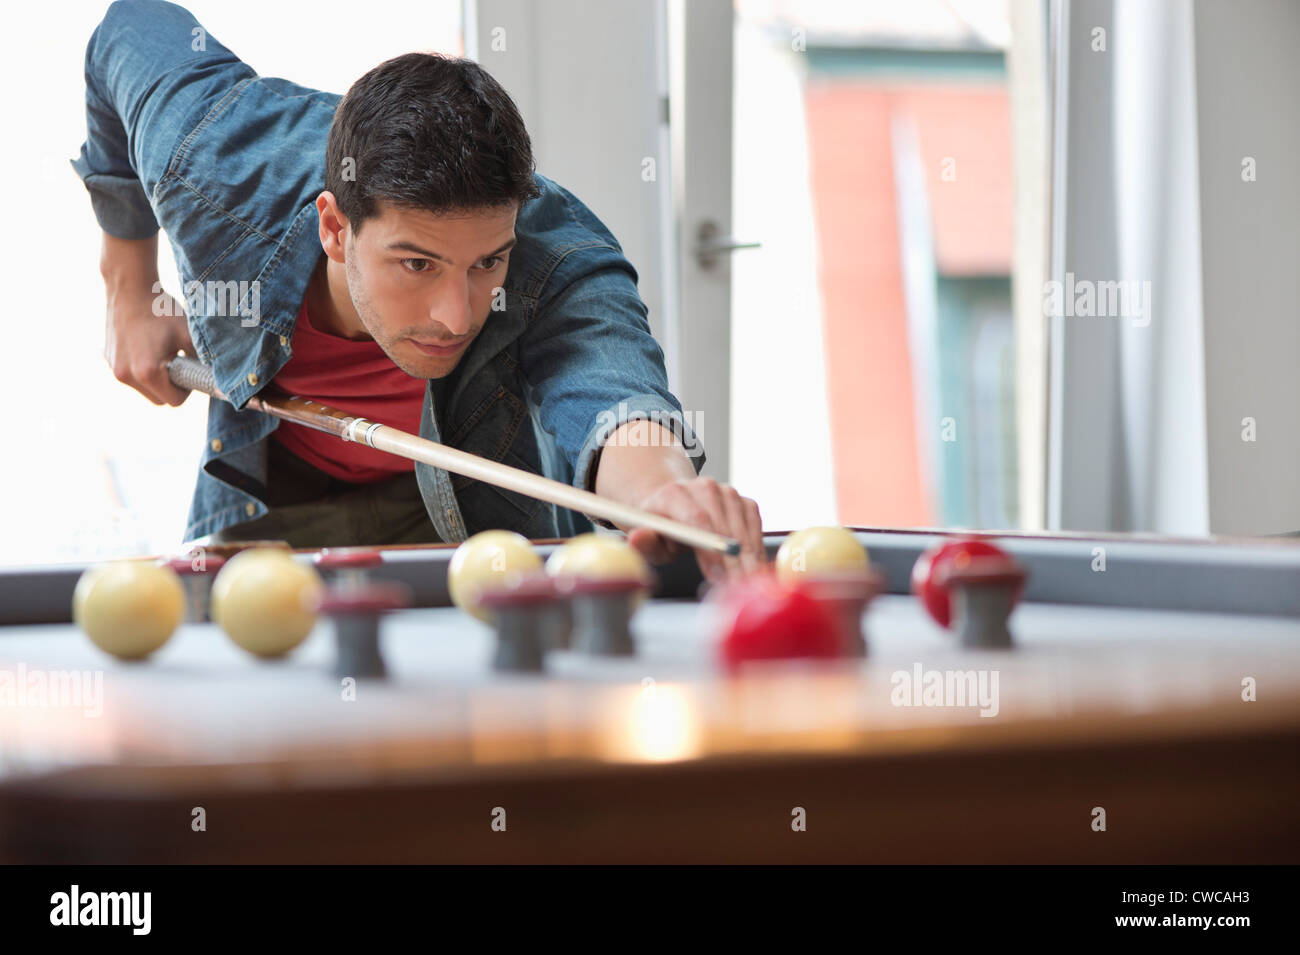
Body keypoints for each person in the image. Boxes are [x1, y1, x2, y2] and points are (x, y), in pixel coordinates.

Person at [74, 0, 763, 581]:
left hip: (466, 507)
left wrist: (665, 492)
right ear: (336, 228)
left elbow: (613, 389)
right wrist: (128, 286)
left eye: (486, 262)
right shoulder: (218, 163)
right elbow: (128, 28)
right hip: (280, 489)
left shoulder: (555, 256)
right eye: (417, 265)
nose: (455, 314)